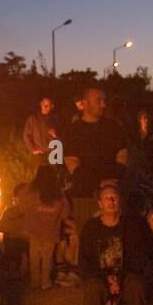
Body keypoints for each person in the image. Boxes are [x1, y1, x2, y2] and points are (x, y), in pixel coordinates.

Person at [64, 182, 147, 305]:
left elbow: (137, 258)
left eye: (114, 197)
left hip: (125, 276)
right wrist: (106, 278)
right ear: (100, 203)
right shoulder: (91, 228)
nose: (111, 201)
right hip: (100, 277)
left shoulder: (130, 227)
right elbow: (85, 261)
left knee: (136, 285)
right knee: (93, 288)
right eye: (107, 198)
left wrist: (120, 278)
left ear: (120, 201)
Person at [62, 87, 129, 226]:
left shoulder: (113, 127)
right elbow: (72, 164)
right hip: (85, 197)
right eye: (98, 101)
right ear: (85, 104)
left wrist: (112, 181)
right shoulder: (73, 131)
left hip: (113, 195)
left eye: (103, 101)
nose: (103, 105)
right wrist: (98, 182)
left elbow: (122, 156)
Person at [24, 165, 72, 290]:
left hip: (32, 230)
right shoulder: (59, 194)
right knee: (47, 258)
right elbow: (65, 213)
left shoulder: (29, 190)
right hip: (50, 231)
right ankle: (45, 282)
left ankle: (35, 282)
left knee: (34, 256)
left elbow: (22, 205)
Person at [22, 97, 59, 171]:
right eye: (44, 105)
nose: (45, 107)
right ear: (41, 104)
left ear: (52, 106)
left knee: (54, 177)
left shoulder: (55, 120)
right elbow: (26, 135)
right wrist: (33, 149)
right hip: (39, 154)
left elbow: (63, 137)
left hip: (53, 153)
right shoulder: (33, 119)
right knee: (39, 177)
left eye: (48, 106)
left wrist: (56, 135)